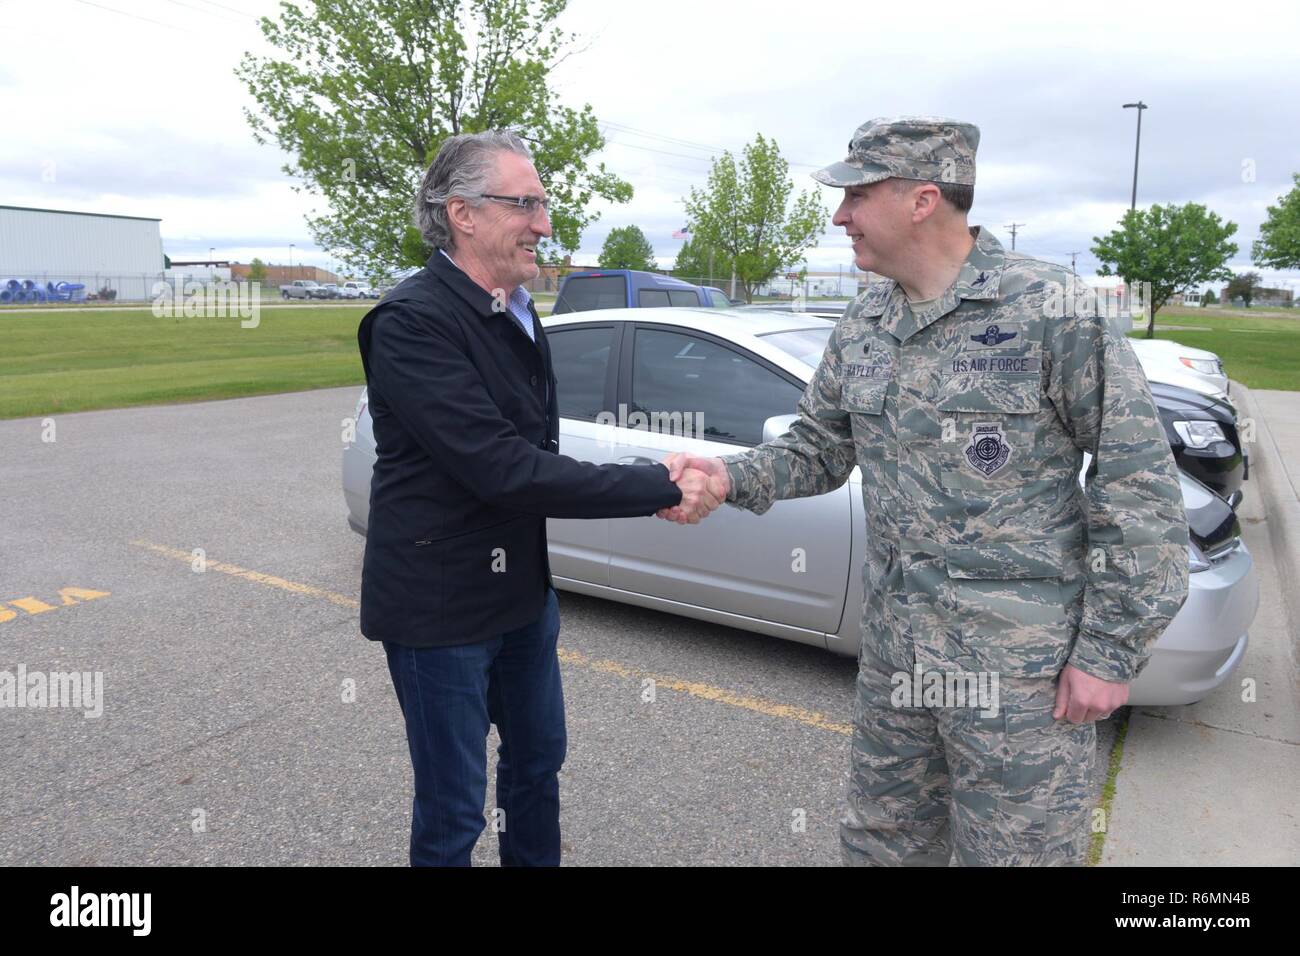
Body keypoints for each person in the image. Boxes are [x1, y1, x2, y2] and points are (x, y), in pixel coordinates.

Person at [661, 116, 1188, 866]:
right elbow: (817, 448)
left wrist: (1110, 650)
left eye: (857, 196)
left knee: (1015, 856)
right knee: (882, 844)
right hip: (897, 658)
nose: (840, 216)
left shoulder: (1051, 307)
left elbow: (1138, 482)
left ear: (922, 201)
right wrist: (727, 478)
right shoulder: (865, 320)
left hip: (1020, 677)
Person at [357, 130, 724, 867]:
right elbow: (503, 469)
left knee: (535, 771)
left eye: (543, 203)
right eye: (525, 203)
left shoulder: (519, 310)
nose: (545, 223)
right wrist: (659, 481)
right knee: (453, 811)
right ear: (462, 214)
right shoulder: (412, 323)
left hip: (522, 595)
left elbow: (533, 458)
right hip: (439, 612)